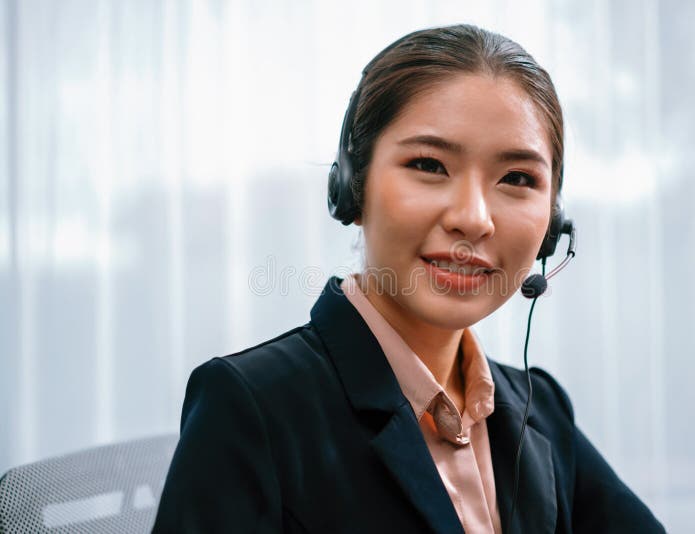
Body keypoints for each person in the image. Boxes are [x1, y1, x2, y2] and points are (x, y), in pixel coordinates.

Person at [153, 24, 666, 534]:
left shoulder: (540, 408)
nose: (474, 218)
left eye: (517, 178)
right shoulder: (251, 407)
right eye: (428, 164)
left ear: (552, 224)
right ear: (353, 188)